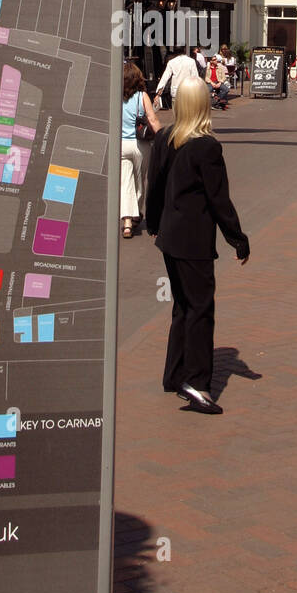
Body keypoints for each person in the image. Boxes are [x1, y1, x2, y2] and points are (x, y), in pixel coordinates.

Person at [146, 78, 249, 414]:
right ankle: (198, 383)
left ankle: (174, 374)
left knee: (183, 306)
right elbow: (219, 200)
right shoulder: (206, 147)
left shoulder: (166, 137)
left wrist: (153, 221)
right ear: (203, 105)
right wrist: (237, 237)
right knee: (201, 309)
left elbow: (155, 184)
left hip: (170, 237)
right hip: (192, 241)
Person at [121, 61, 160, 239]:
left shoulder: (115, 95)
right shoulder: (141, 96)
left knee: (124, 183)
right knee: (140, 181)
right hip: (140, 145)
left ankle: (127, 222)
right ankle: (135, 214)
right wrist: (162, 138)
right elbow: (152, 119)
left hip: (120, 145)